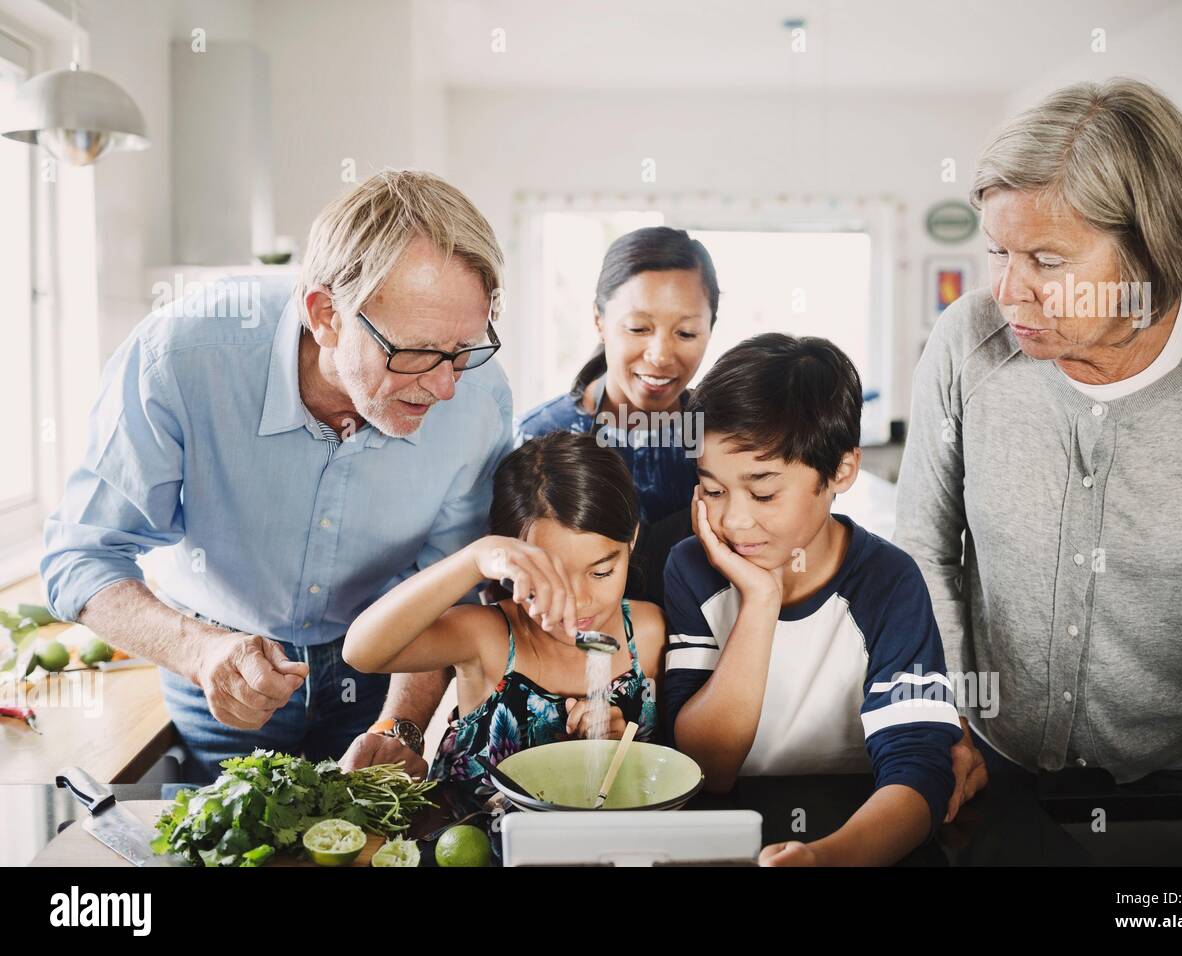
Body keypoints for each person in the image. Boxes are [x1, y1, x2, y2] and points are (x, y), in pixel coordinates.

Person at [894, 78, 1182, 820]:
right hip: (992, 755)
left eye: (1047, 261)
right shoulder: (968, 343)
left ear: (1150, 250)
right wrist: (943, 712)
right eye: (996, 251)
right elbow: (924, 543)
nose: (1011, 291)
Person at [41, 170, 512, 783]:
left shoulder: (480, 400)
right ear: (326, 316)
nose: (446, 385)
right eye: (417, 352)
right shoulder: (182, 357)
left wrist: (400, 725)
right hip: (218, 653)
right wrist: (199, 649)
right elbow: (81, 555)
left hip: (384, 660)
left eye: (463, 351)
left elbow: (441, 583)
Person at [661, 335, 962, 866]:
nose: (732, 520)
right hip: (721, 840)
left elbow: (920, 776)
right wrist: (759, 600)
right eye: (712, 489)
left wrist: (823, 859)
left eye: (764, 492)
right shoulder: (692, 570)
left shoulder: (888, 582)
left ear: (841, 471)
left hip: (855, 836)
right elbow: (706, 768)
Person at [343, 431, 663, 820]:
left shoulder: (647, 634)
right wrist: (474, 559)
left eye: (601, 571)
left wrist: (617, 747)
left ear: (632, 540)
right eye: (551, 576)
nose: (579, 600)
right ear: (510, 565)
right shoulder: (487, 637)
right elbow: (361, 652)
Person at [515, 226, 719, 605]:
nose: (660, 355)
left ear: (710, 330)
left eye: (686, 333)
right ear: (599, 321)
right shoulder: (537, 437)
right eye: (638, 328)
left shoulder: (721, 437)